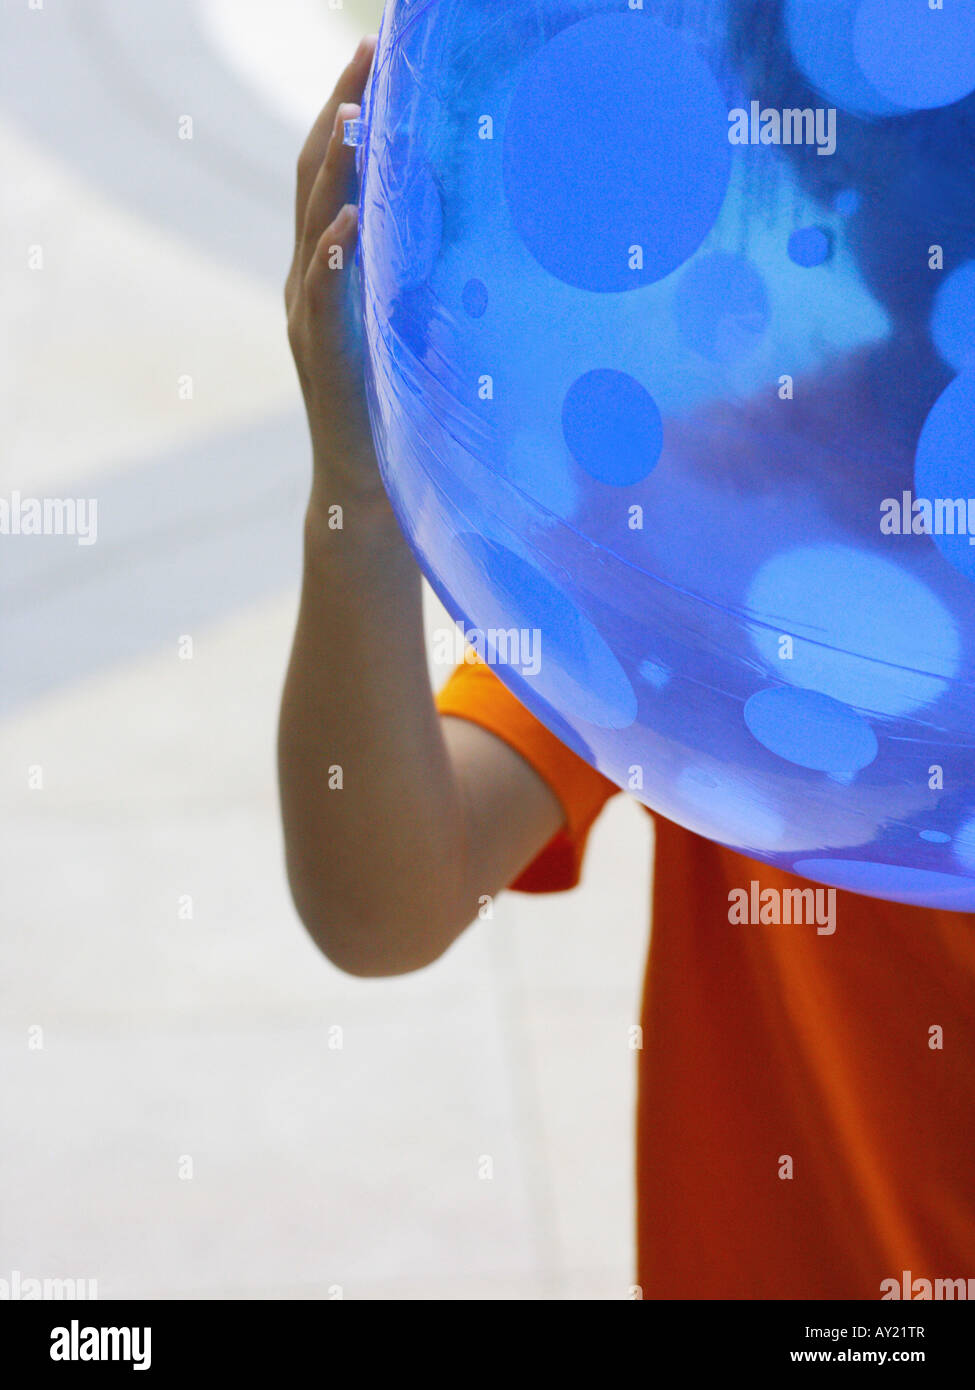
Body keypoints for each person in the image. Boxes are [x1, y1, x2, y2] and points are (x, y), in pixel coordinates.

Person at [278, 23, 974, 1299]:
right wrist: (359, 502)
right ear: (808, 143)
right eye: (918, 134)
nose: (957, 187)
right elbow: (385, 900)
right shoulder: (709, 515)